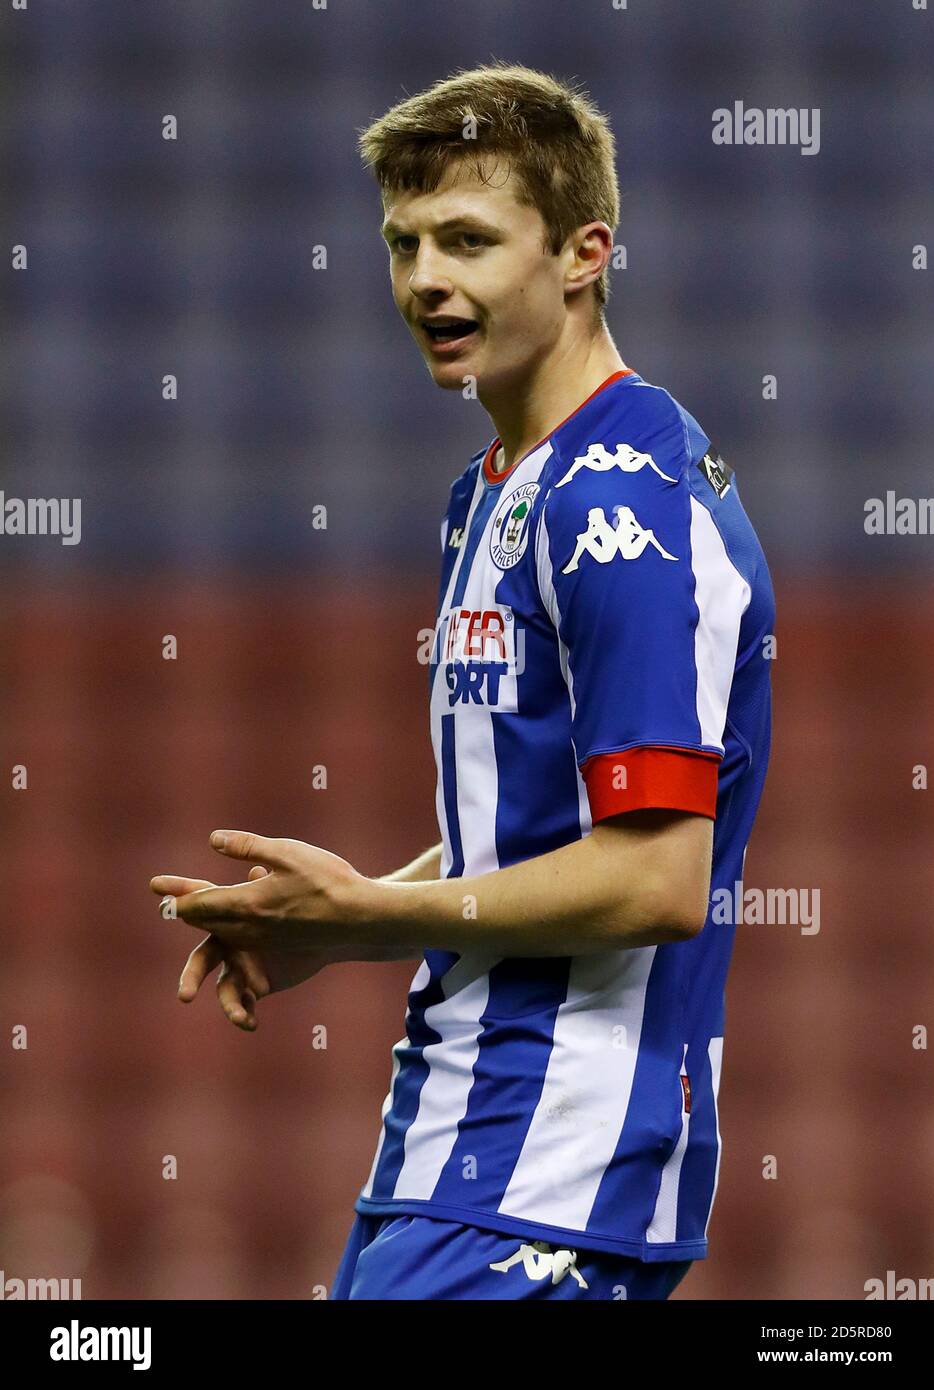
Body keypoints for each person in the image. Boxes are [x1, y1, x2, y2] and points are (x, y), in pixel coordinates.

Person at [150, 62, 775, 1301]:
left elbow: (656, 875)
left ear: (585, 252)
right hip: (454, 1142)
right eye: (405, 242)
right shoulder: (496, 489)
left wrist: (369, 917)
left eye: (471, 241)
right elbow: (534, 822)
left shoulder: (618, 505)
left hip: (553, 1169)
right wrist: (350, 915)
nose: (427, 278)